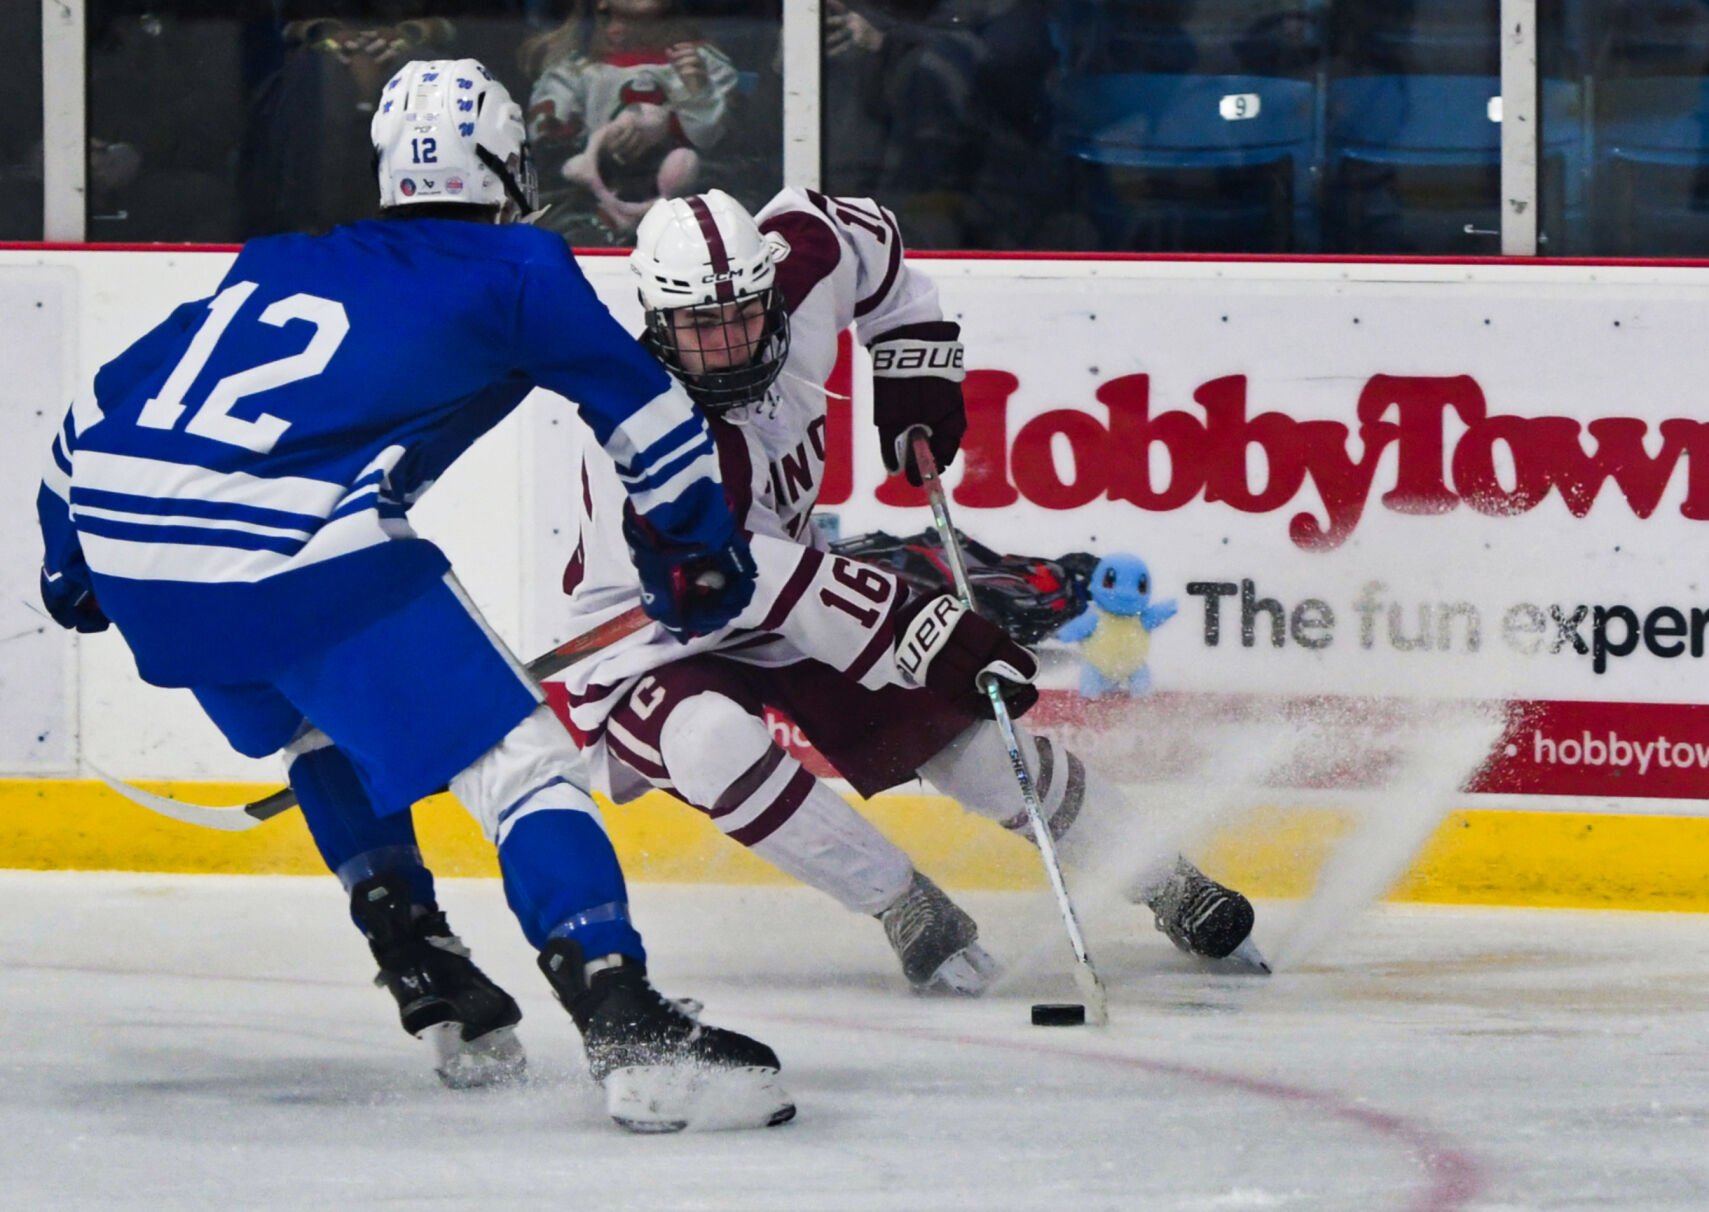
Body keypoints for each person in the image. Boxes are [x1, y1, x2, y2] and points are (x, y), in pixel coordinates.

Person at [35, 58, 792, 1135]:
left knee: (322, 736)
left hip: (133, 543)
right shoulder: (522, 264)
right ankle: (623, 1019)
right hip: (282, 548)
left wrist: (68, 557)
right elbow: (644, 411)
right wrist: (696, 547)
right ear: (502, 163)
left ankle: (428, 971)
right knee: (524, 769)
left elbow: (93, 414)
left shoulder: (277, 258)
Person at [554, 188, 1267, 996]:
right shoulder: (644, 429)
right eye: (698, 329)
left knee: (963, 736)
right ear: (656, 320)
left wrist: (909, 353)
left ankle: (1165, 879)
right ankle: (902, 904)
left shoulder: (799, 275)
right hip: (659, 633)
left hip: (795, 595)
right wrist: (914, 625)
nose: (725, 346)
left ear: (770, 287)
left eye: (744, 315)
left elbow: (855, 229)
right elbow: (742, 582)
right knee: (710, 744)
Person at [521, 0, 739, 243]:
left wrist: (696, 98)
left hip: (688, 231)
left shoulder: (707, 64)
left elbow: (732, 154)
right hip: (595, 223)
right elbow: (548, 155)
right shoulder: (572, 72)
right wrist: (601, 150)